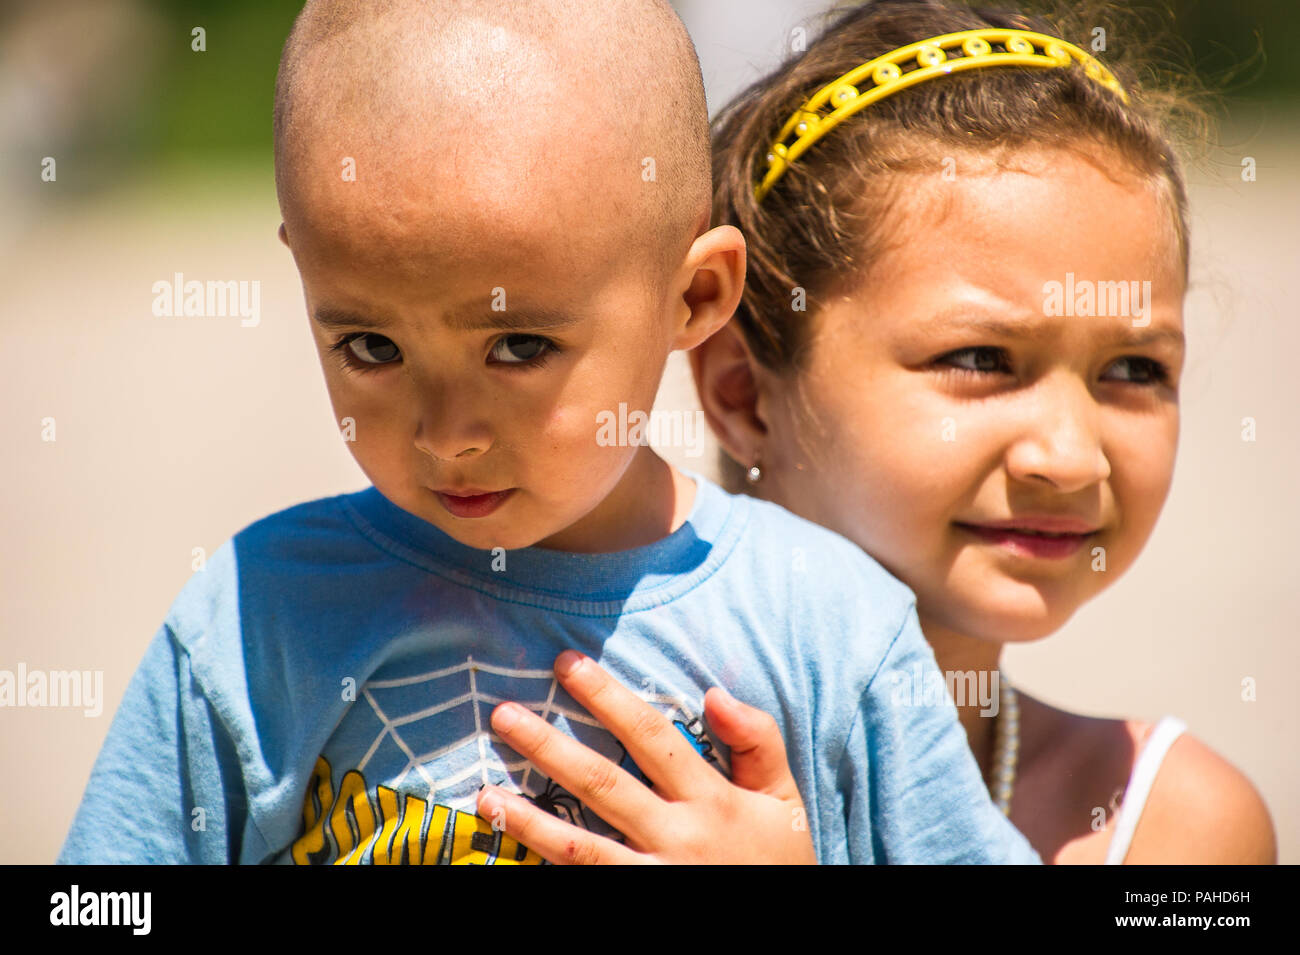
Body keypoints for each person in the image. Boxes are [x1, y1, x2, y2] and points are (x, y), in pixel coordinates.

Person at [56, 0, 1039, 865]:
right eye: (369, 345)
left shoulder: (831, 629)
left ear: (693, 295)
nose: (448, 435)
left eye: (518, 345)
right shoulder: (257, 613)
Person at [478, 0, 1277, 864]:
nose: (1070, 456)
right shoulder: (548, 760)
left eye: (1134, 370)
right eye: (980, 358)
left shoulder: (1175, 825)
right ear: (745, 394)